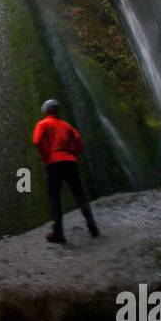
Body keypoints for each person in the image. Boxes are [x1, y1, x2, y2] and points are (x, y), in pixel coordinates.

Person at [32, 98, 100, 244]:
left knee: (54, 198)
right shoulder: (67, 125)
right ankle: (92, 226)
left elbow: (37, 141)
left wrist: (45, 156)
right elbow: (80, 144)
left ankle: (59, 234)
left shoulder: (42, 124)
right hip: (70, 162)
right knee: (79, 194)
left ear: (45, 110)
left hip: (53, 163)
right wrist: (72, 154)